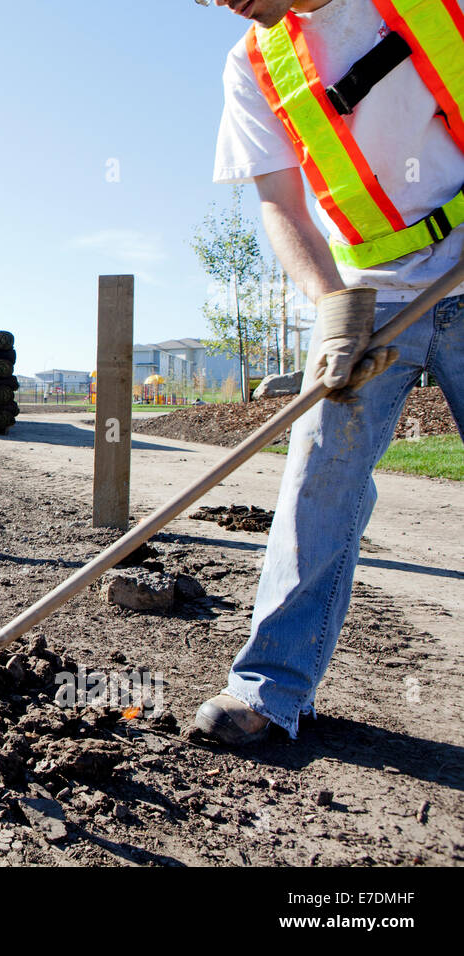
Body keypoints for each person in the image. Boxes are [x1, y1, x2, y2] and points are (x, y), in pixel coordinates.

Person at [196, 0, 464, 744]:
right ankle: (270, 689)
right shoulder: (252, 63)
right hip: (370, 295)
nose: (223, 1)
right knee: (318, 482)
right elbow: (281, 205)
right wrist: (330, 308)